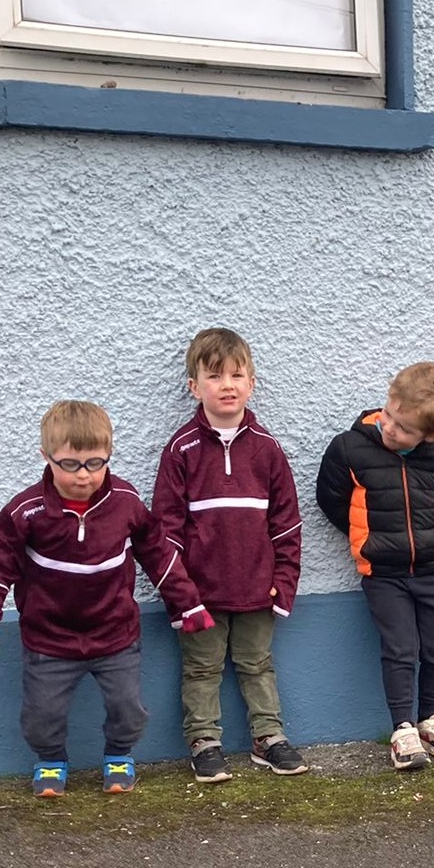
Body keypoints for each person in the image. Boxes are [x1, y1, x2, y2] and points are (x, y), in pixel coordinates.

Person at [0, 401, 214, 797]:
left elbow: (158, 554)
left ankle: (119, 755)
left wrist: (189, 604)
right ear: (46, 457)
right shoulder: (26, 512)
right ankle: (50, 761)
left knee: (127, 708)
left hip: (115, 634)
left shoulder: (125, 503)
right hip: (49, 639)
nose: (83, 476)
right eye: (70, 464)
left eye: (95, 463)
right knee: (41, 714)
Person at [153, 328, 307, 783]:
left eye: (237, 375)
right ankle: (204, 741)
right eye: (214, 375)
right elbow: (166, 530)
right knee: (201, 668)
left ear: (252, 384)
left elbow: (288, 523)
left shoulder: (267, 449)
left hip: (259, 587)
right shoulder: (181, 450)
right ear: (193, 387)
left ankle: (269, 738)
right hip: (199, 591)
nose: (227, 385)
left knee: (257, 664)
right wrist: (180, 593)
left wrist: (285, 579)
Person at [316, 362, 434, 770]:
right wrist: (369, 537)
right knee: (400, 649)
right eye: (389, 416)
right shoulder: (350, 448)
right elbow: (331, 499)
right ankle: (403, 729)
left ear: (431, 433)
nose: (390, 429)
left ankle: (431, 719)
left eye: (403, 428)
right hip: (385, 573)